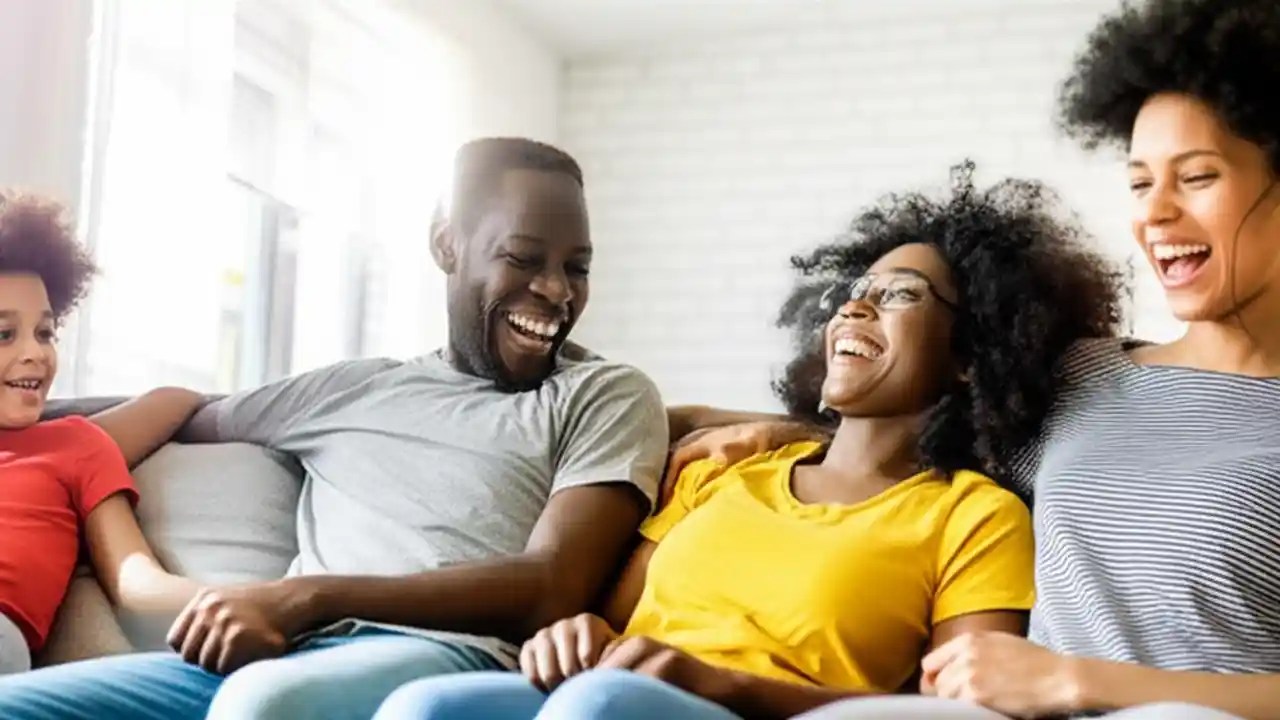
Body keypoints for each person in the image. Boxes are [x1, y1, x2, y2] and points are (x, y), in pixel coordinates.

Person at [676, 1, 1280, 718]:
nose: (1155, 213)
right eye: (1141, 183)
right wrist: (787, 433)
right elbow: (925, 431)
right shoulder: (1082, 376)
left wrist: (1076, 681)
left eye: (1198, 177)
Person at [366, 161, 1124, 720]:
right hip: (612, 697)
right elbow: (613, 622)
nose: (854, 311)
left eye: (897, 296)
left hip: (736, 712)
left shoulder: (974, 517)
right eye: (853, 294)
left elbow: (967, 708)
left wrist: (720, 685)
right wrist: (578, 636)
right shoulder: (728, 471)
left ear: (970, 355)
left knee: (595, 707)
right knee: (425, 708)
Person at [0, 138, 669, 720]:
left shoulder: (601, 394)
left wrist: (303, 598)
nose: (557, 290)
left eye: (576, 266)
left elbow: (551, 585)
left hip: (440, 658)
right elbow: (182, 410)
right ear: (447, 245)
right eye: (524, 259)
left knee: (264, 706)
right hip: (275, 650)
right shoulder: (352, 389)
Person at [0, 191, 204, 674]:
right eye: (4, 334)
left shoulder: (76, 444)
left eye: (46, 332)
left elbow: (138, 584)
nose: (36, 353)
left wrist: (275, 602)